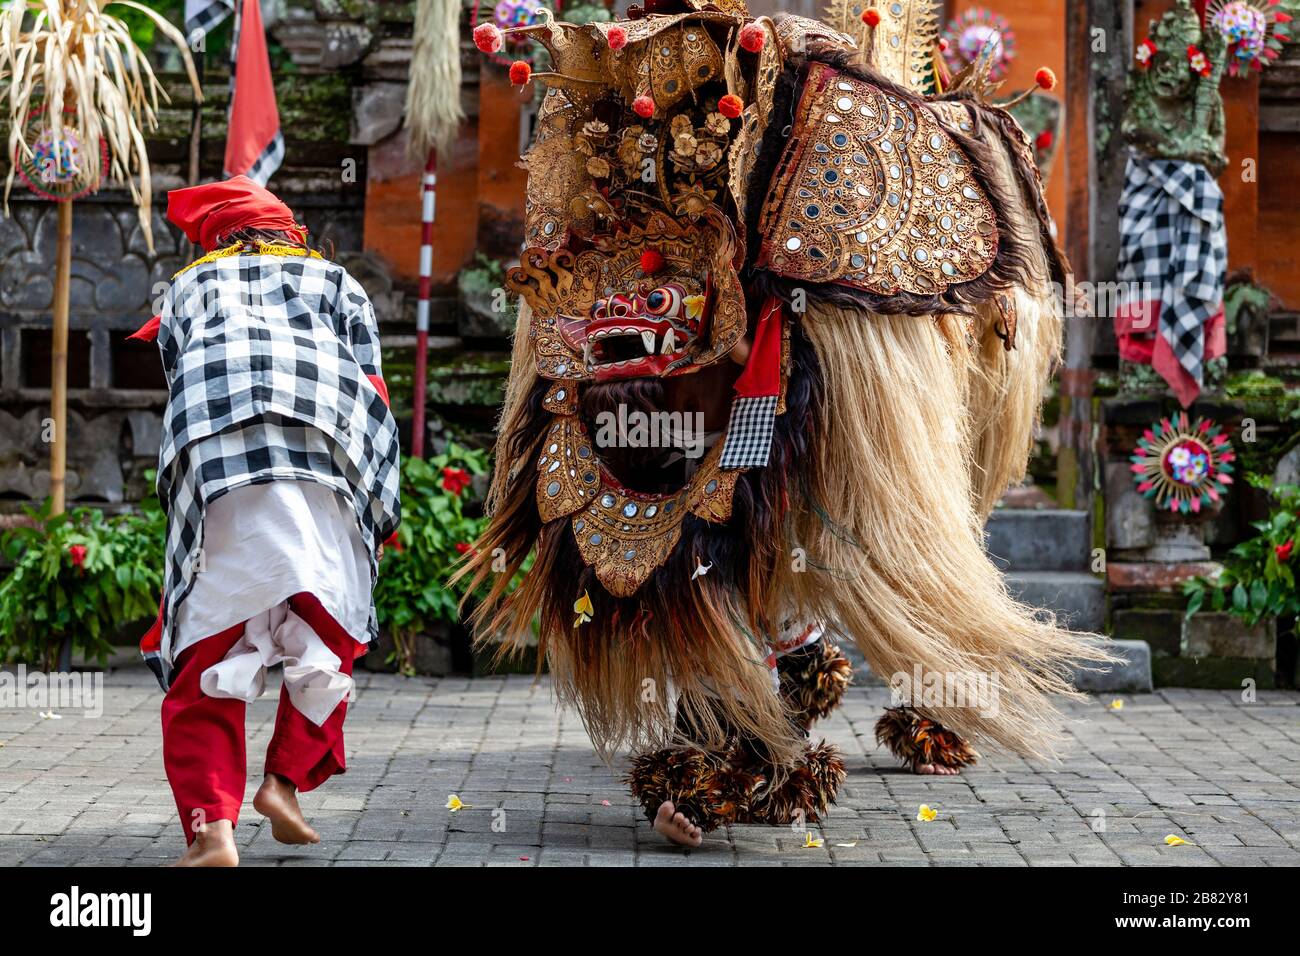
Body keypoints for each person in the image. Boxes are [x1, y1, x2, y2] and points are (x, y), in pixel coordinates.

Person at [457, 0, 1109, 847]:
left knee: (768, 527)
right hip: (702, 322)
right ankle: (765, 697)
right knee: (718, 540)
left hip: (776, 314)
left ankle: (774, 724)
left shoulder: (818, 284)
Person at [134, 176, 400, 866]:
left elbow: (181, 381)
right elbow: (372, 387)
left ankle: (211, 830)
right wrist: (379, 501)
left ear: (217, 239)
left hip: (225, 481)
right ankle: (282, 783)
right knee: (328, 633)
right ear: (290, 232)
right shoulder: (338, 282)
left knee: (207, 651)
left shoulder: (187, 289)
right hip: (328, 477)